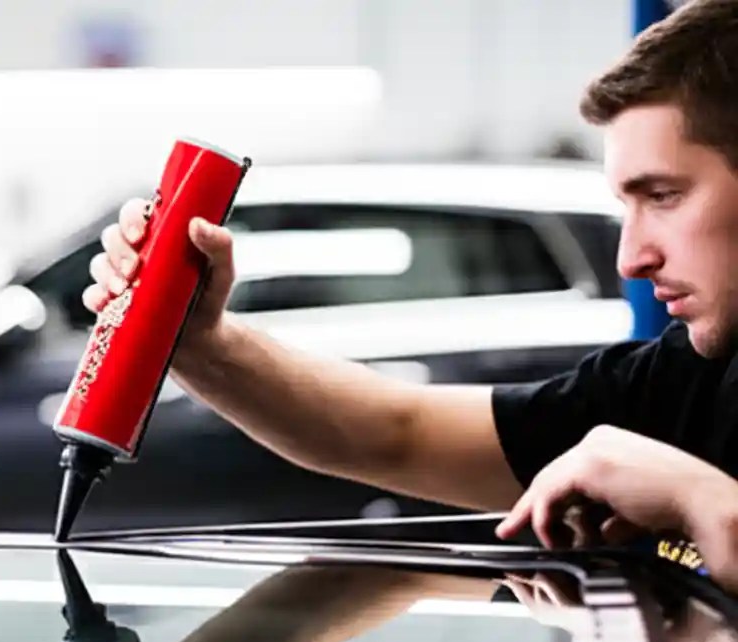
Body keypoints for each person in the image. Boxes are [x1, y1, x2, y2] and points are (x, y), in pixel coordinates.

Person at [82, 0, 738, 594]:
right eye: (627, 205)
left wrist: (696, 498)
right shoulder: (689, 379)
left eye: (663, 196)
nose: (631, 258)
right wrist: (203, 344)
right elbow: (397, 436)